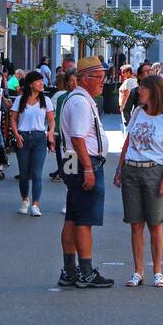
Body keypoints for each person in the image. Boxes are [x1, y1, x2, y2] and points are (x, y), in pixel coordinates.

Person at [114, 74, 163, 287]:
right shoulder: (138, 113)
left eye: (142, 88)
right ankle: (138, 271)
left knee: (155, 224)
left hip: (154, 171)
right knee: (135, 224)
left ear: (154, 91)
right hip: (132, 170)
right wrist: (119, 167)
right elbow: (128, 141)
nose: (139, 91)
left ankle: (158, 271)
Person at [58, 56, 113, 288]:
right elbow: (79, 138)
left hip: (74, 161)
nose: (104, 82)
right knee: (83, 220)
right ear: (86, 79)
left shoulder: (75, 99)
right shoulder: (81, 102)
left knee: (73, 216)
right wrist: (89, 168)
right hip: (83, 162)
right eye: (100, 77)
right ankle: (86, 272)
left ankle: (70, 271)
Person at [10, 71, 54, 216]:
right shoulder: (20, 100)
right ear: (30, 84)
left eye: (42, 81)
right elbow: (13, 119)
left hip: (39, 138)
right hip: (23, 137)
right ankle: (25, 199)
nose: (42, 83)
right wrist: (16, 134)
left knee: (36, 173)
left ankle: (36, 204)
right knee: (24, 174)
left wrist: (51, 132)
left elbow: (51, 119)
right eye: (38, 81)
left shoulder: (46, 100)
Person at [49, 69, 77, 189]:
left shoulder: (85, 98)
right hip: (69, 143)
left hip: (86, 144)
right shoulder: (62, 98)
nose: (75, 83)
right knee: (70, 175)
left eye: (77, 80)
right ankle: (69, 204)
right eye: (72, 80)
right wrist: (54, 135)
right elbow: (58, 118)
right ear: (67, 82)